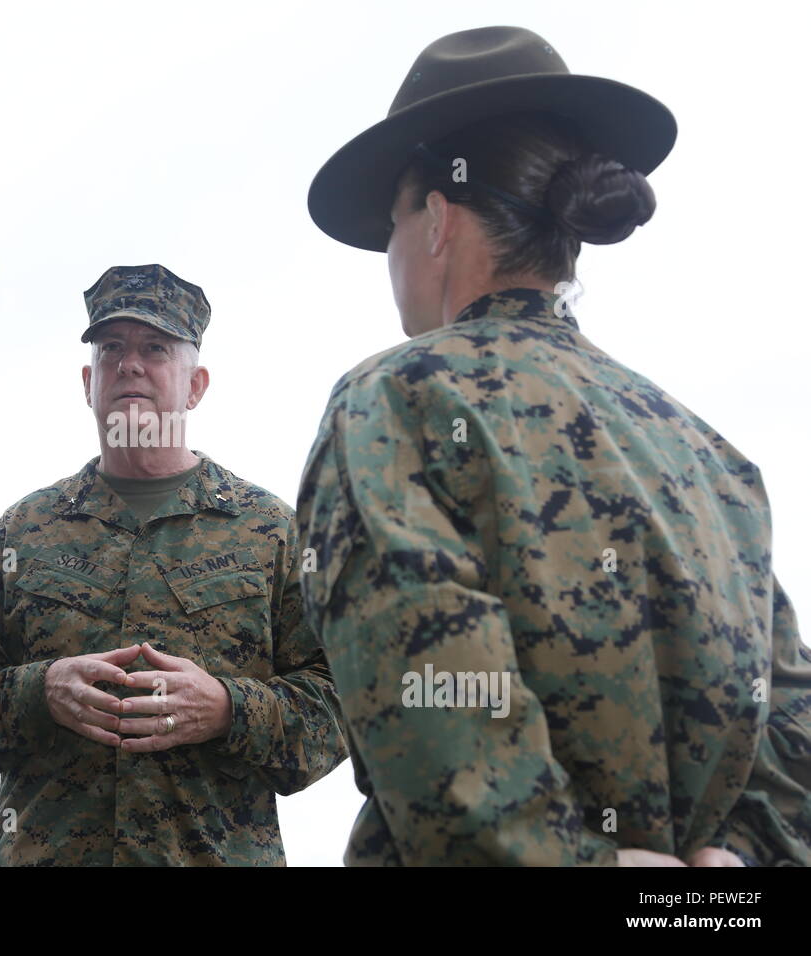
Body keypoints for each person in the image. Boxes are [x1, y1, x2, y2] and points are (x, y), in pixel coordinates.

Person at [297, 26, 810, 866]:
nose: (388, 254)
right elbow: (791, 719)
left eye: (390, 223)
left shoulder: (398, 400)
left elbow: (435, 720)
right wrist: (740, 862)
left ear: (435, 221)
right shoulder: (703, 449)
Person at [0, 263, 346, 865]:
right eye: (112, 348)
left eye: (155, 348)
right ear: (88, 380)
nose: (130, 365)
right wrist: (39, 692)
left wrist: (228, 710)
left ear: (195, 385)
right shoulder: (27, 530)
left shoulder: (270, 530)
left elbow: (341, 701)